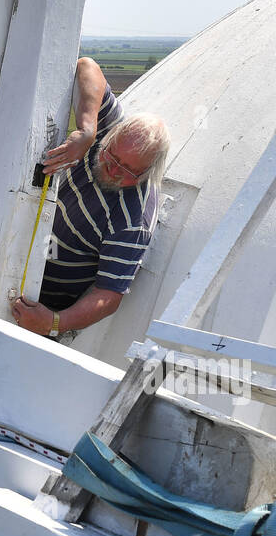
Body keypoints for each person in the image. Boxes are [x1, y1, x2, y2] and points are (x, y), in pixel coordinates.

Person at [10, 57, 168, 340]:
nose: (114, 172)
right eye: (112, 157)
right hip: (10, 256)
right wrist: (87, 130)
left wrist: (53, 323)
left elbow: (108, 295)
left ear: (149, 172)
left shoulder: (132, 219)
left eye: (130, 170)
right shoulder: (110, 129)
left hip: (41, 305)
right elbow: (87, 66)